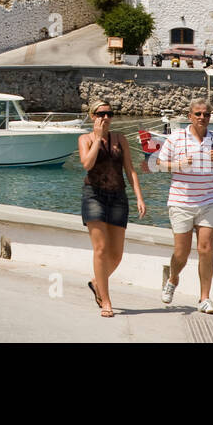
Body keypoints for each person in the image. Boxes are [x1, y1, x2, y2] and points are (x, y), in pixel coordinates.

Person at [144, 97, 213, 314]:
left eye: (206, 114)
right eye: (198, 114)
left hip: (208, 201)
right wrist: (178, 164)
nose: (202, 118)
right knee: (182, 252)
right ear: (190, 116)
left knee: (206, 249)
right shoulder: (176, 137)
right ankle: (172, 279)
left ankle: (204, 298)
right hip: (181, 202)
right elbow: (157, 164)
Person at [78, 100, 146, 317]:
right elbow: (87, 164)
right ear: (92, 116)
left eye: (109, 114)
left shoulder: (120, 139)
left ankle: (97, 282)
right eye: (100, 114)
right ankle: (106, 301)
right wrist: (97, 138)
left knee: (116, 255)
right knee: (100, 249)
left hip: (118, 196)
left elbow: (130, 169)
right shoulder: (85, 139)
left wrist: (139, 196)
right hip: (94, 196)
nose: (105, 118)